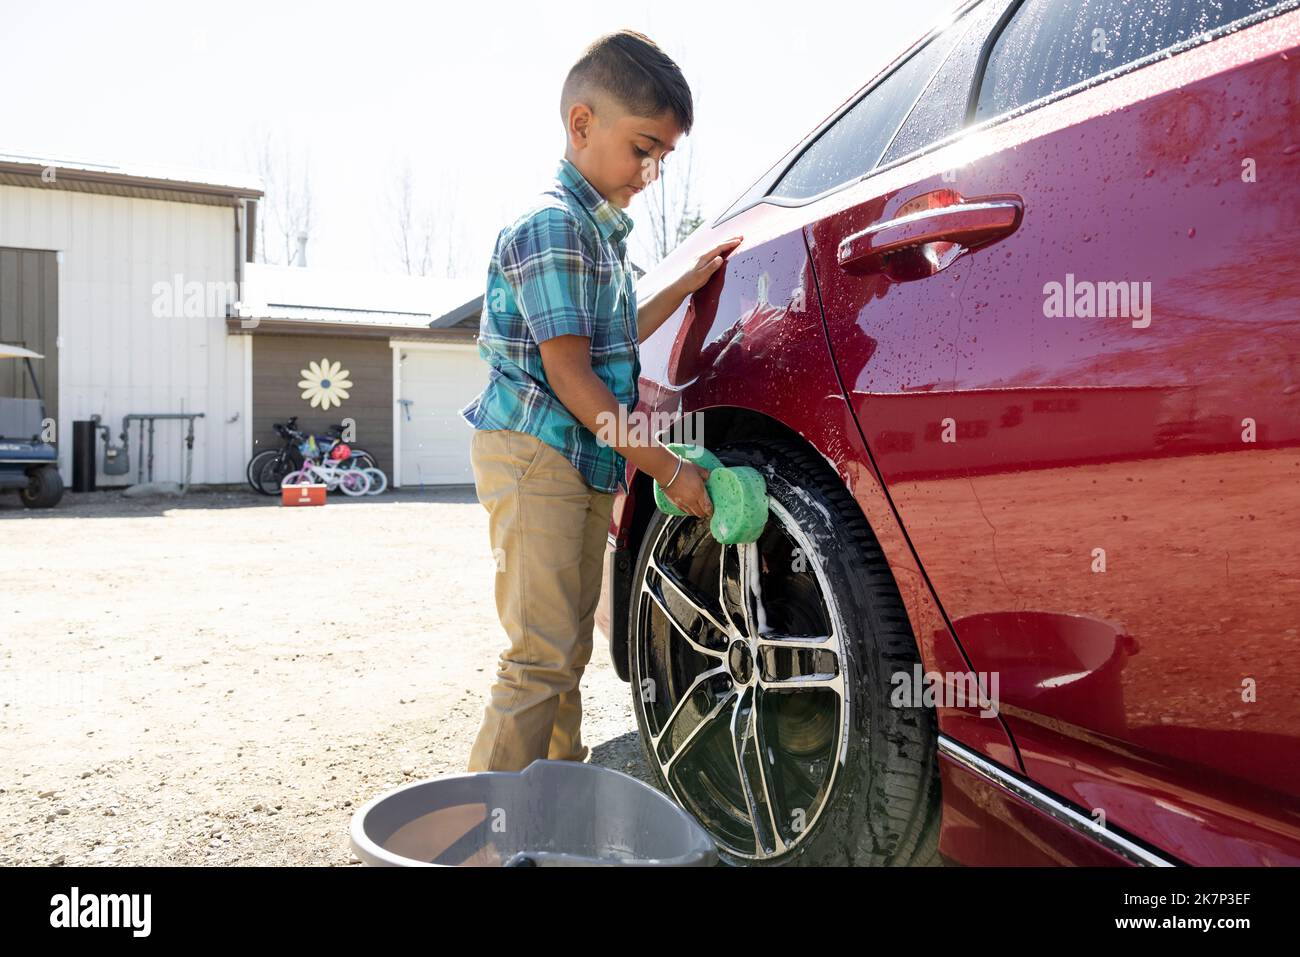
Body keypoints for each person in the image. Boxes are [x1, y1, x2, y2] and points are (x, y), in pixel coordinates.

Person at [459, 29, 742, 772]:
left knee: (568, 647)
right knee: (540, 655)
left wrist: (682, 285)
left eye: (663, 159)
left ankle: (552, 804)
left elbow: (611, 334)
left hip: (577, 456)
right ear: (582, 124)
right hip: (537, 452)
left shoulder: (599, 236)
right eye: (643, 147)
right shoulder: (555, 225)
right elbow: (573, 377)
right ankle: (485, 832)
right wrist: (670, 469)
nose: (650, 172)